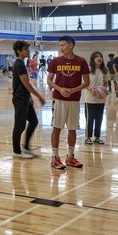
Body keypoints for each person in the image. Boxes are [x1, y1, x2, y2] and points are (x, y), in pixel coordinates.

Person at [47, 36, 90, 170]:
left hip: (74, 100)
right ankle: (55, 158)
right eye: (59, 45)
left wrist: (73, 90)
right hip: (59, 99)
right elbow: (49, 80)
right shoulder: (55, 61)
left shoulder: (81, 61)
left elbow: (87, 82)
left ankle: (70, 157)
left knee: (72, 129)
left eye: (63, 45)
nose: (61, 48)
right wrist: (60, 89)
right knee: (57, 128)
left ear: (71, 45)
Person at [11, 41, 46, 159]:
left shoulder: (22, 63)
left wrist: (30, 97)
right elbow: (27, 84)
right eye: (26, 49)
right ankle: (16, 151)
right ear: (19, 51)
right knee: (19, 126)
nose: (28, 51)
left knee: (34, 121)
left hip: (25, 98)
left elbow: (23, 85)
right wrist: (39, 96)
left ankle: (26, 147)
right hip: (20, 99)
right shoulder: (19, 64)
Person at [83, 51, 108, 144]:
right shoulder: (88, 70)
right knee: (89, 119)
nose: (99, 58)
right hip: (90, 99)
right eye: (97, 56)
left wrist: (105, 90)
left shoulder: (105, 71)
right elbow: (83, 83)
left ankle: (97, 137)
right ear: (93, 59)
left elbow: (106, 85)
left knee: (99, 118)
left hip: (101, 99)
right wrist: (90, 89)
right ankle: (88, 137)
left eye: (100, 56)